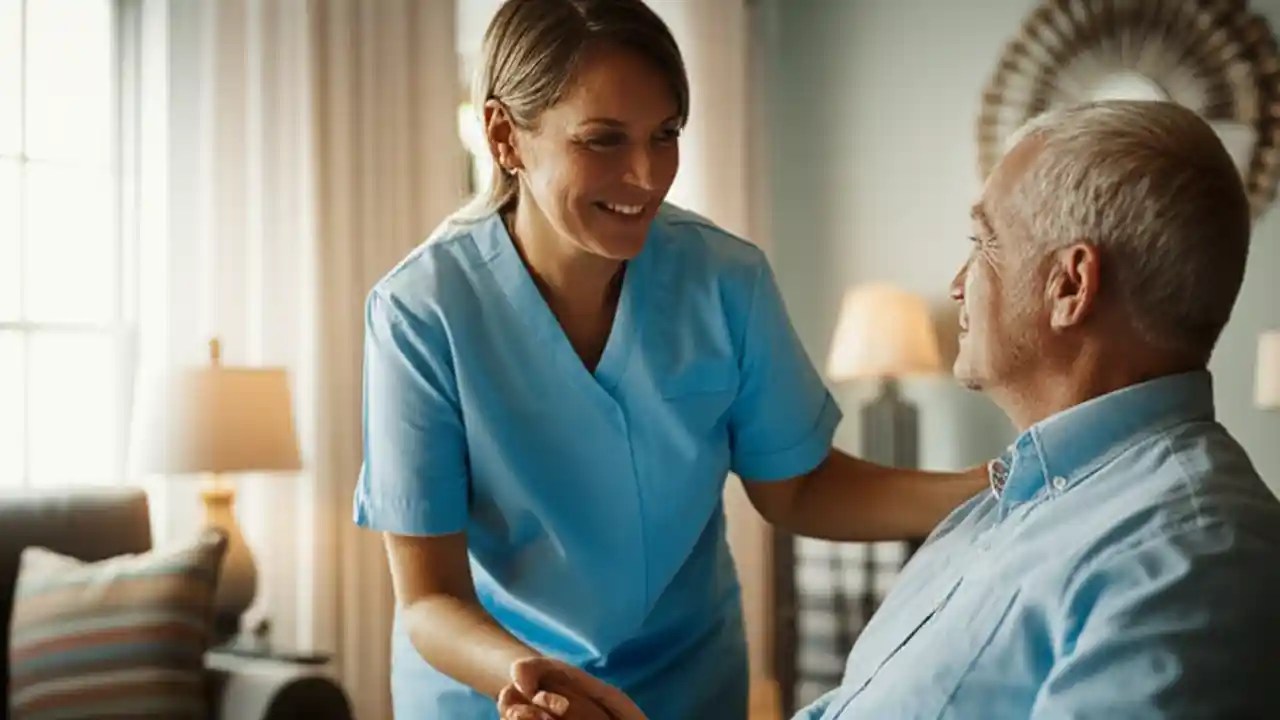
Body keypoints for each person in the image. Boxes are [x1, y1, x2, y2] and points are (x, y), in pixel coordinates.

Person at [503, 100, 1280, 719]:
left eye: (985, 245)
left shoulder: (1192, 557)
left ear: (1070, 287)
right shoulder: (1004, 510)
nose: (957, 282)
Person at [353, 0, 985, 718]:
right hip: (495, 688)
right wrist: (540, 685)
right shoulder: (422, 310)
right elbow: (431, 597)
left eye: (665, 135)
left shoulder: (725, 279)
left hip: (685, 684)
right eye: (603, 140)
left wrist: (989, 485)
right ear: (504, 137)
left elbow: (798, 489)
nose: (648, 174)